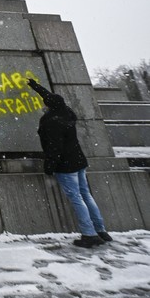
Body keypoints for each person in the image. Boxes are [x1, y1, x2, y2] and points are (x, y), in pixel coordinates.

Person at [28, 78, 111, 248]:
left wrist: (50, 166)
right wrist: (36, 86)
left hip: (66, 165)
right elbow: (51, 97)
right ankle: (100, 229)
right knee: (85, 195)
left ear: (48, 106)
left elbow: (54, 148)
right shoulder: (67, 112)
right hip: (78, 160)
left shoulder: (51, 122)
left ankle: (89, 234)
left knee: (76, 198)